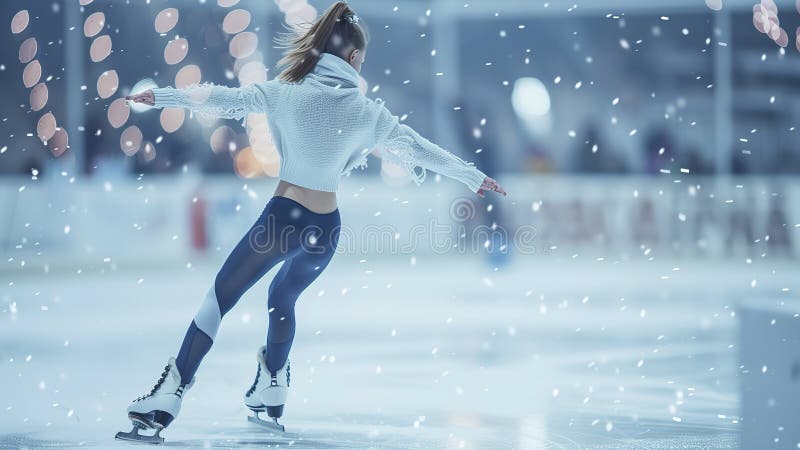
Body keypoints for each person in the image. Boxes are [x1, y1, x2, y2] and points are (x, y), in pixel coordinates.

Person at [115, 1, 506, 444]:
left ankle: (169, 395)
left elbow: (226, 98)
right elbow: (418, 148)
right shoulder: (367, 113)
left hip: (284, 219)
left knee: (219, 300)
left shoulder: (286, 91)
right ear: (355, 59)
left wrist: (164, 96)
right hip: (327, 228)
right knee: (282, 298)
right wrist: (472, 176)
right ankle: (273, 384)